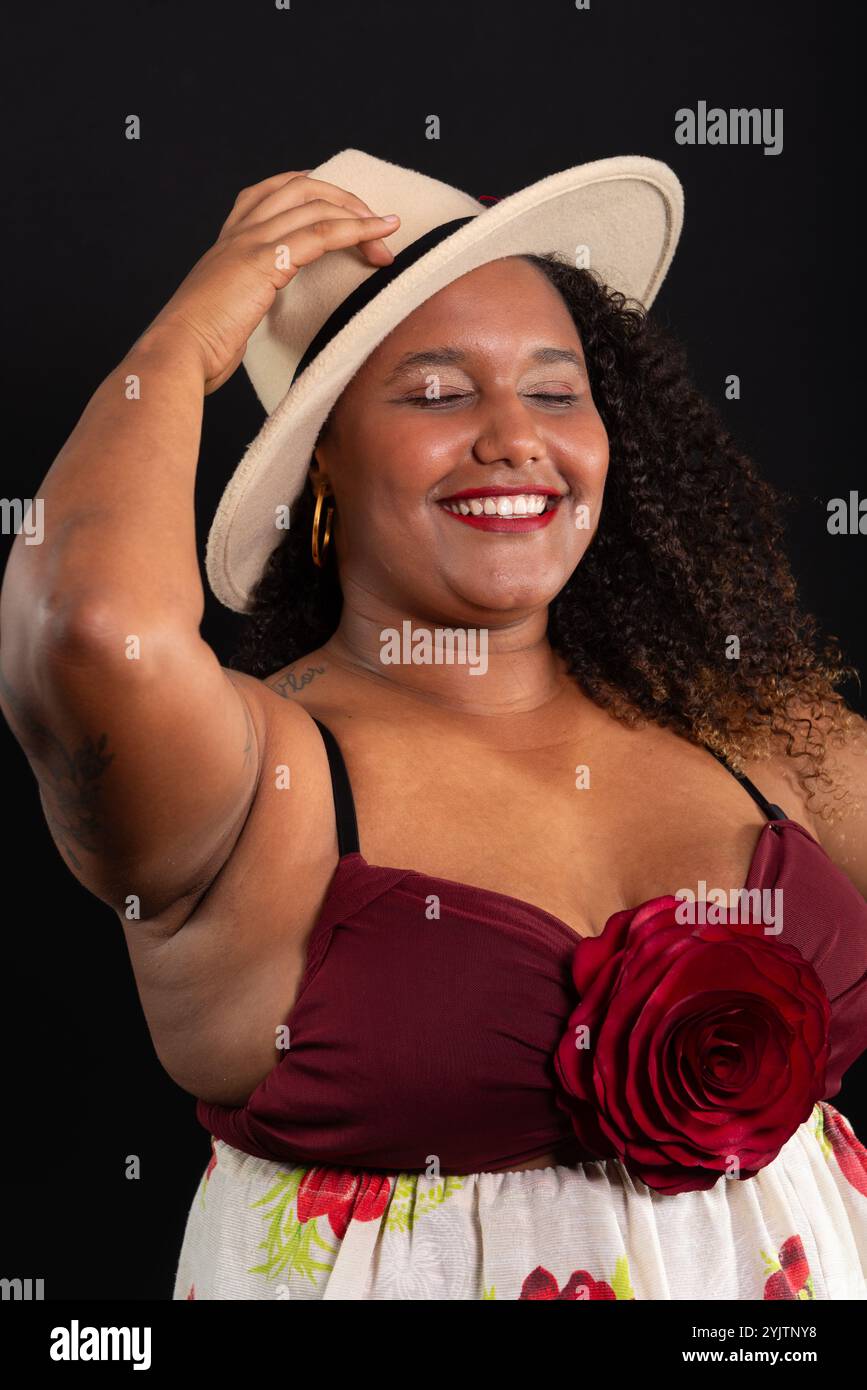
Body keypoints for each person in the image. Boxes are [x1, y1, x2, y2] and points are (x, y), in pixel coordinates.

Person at [2, 151, 866, 1302]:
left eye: (556, 391)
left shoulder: (751, 729)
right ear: (323, 466)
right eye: (437, 392)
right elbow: (89, 627)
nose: (514, 436)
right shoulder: (268, 774)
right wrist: (189, 337)